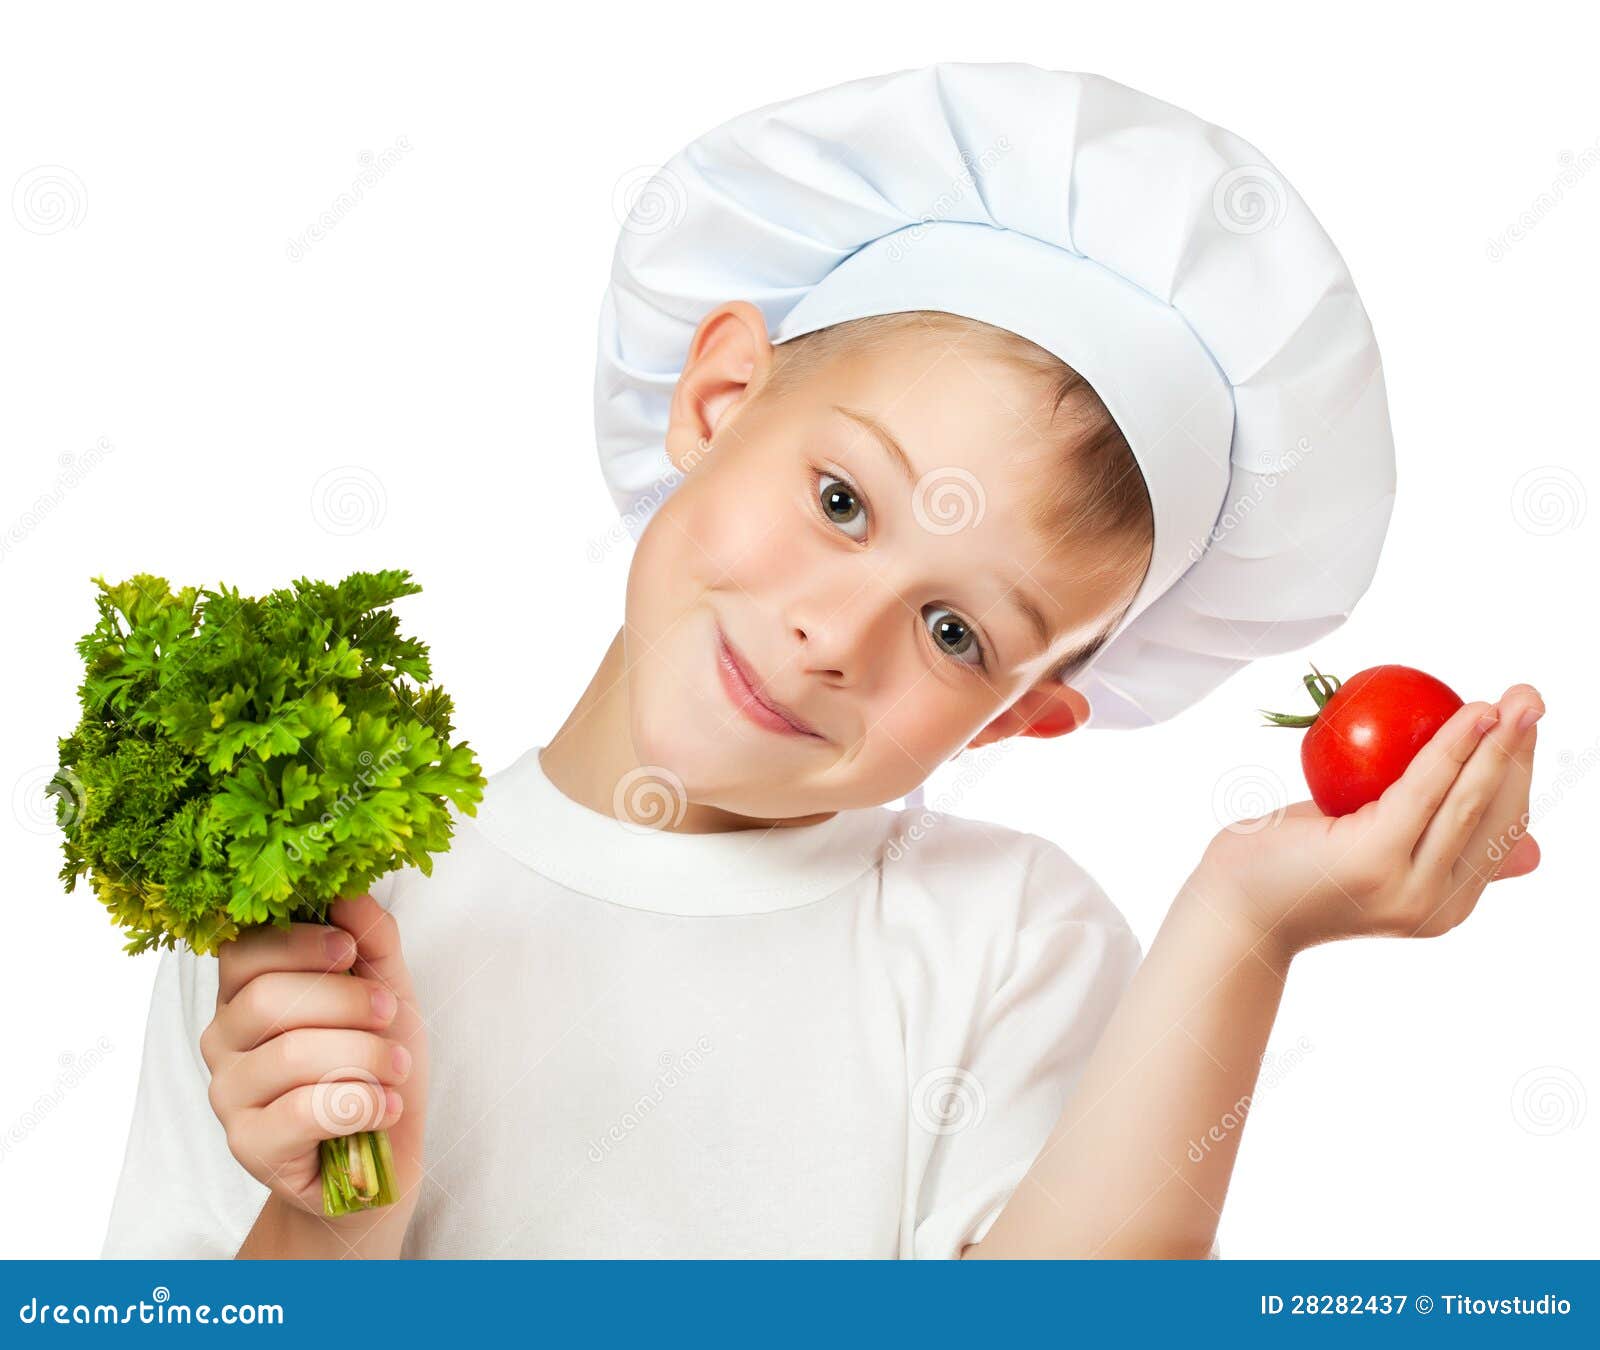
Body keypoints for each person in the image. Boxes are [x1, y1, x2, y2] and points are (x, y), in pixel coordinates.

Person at [101, 62, 1544, 1260]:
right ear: (720, 396)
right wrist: (327, 1220)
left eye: (956, 630)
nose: (831, 635)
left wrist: (1241, 923)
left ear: (1024, 716)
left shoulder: (1006, 944)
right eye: (843, 500)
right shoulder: (320, 904)